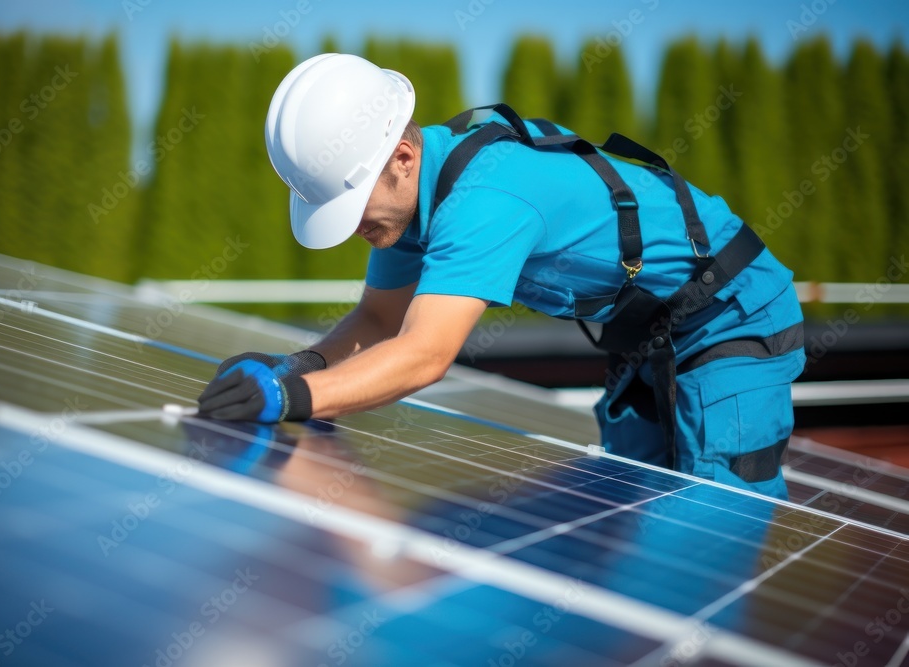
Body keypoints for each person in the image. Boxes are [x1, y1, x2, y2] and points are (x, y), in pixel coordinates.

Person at [197, 53, 806, 500]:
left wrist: (289, 399)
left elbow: (425, 353)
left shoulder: (484, 199)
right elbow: (380, 320)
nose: (352, 225)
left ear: (402, 158)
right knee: (630, 505)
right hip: (652, 333)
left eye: (352, 204)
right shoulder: (416, 203)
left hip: (731, 315)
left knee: (712, 518)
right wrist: (296, 367)